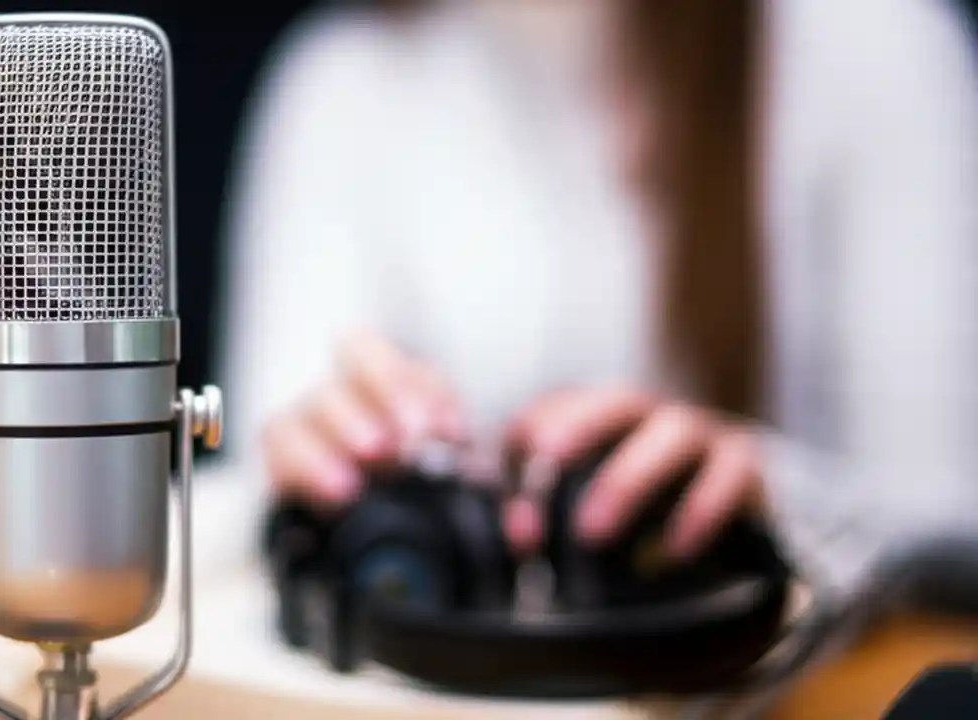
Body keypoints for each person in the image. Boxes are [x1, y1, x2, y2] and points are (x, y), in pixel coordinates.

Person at [219, 0, 977, 602]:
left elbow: (951, 525)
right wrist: (326, 463)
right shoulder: (343, 74)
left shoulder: (878, 46)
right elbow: (261, 474)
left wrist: (773, 506)